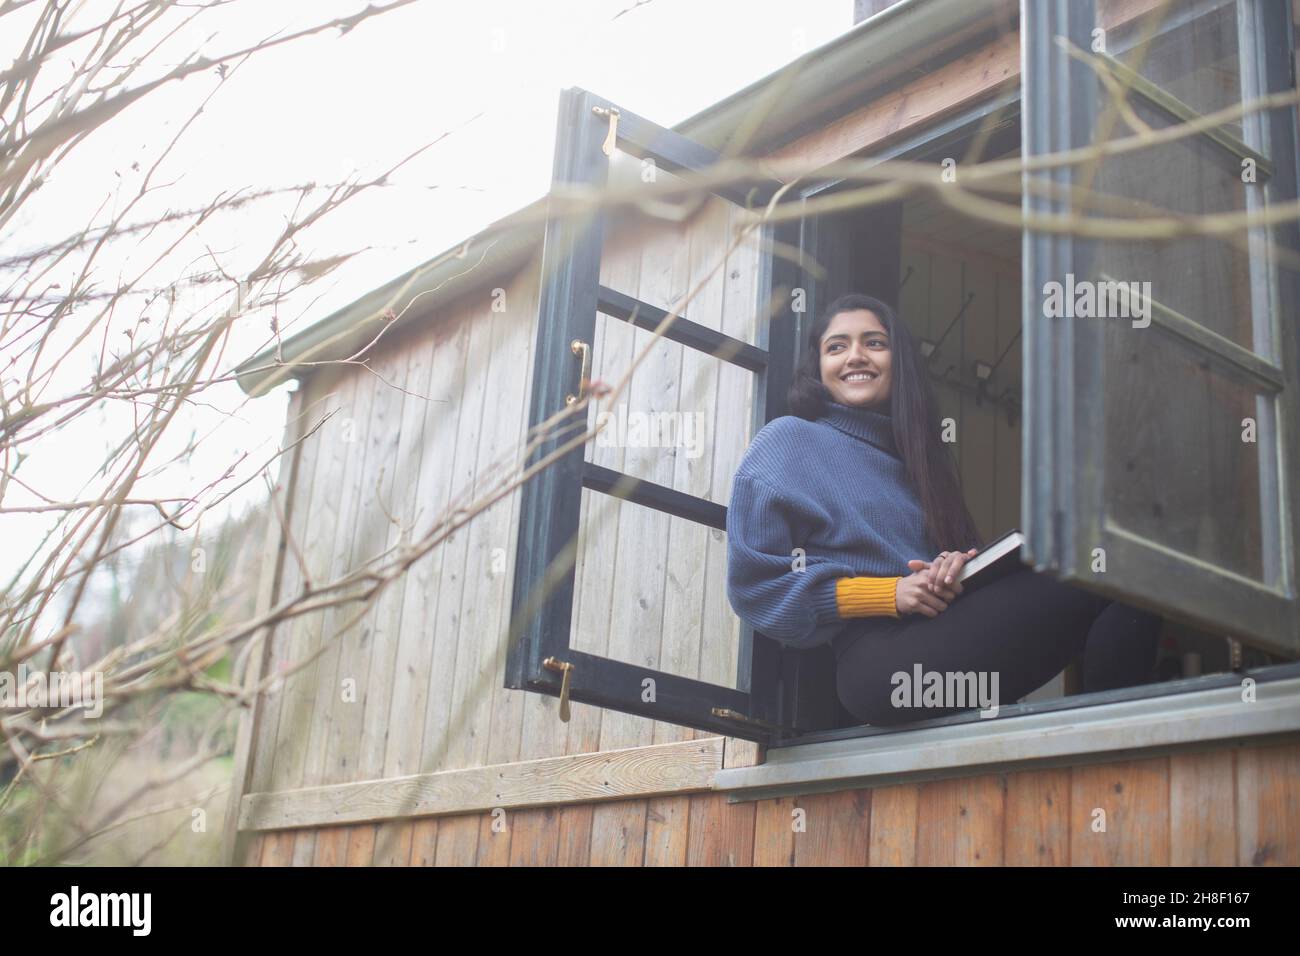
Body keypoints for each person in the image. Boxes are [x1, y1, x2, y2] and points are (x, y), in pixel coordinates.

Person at [725, 292, 1161, 726]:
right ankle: (1119, 739)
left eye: (874, 343)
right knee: (1108, 571)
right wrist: (890, 592)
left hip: (941, 637)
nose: (855, 356)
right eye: (837, 347)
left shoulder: (919, 461)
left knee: (1119, 564)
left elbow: (944, 589)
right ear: (817, 369)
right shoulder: (787, 441)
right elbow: (757, 589)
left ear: (901, 362)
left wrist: (953, 565)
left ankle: (1119, 730)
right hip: (878, 663)